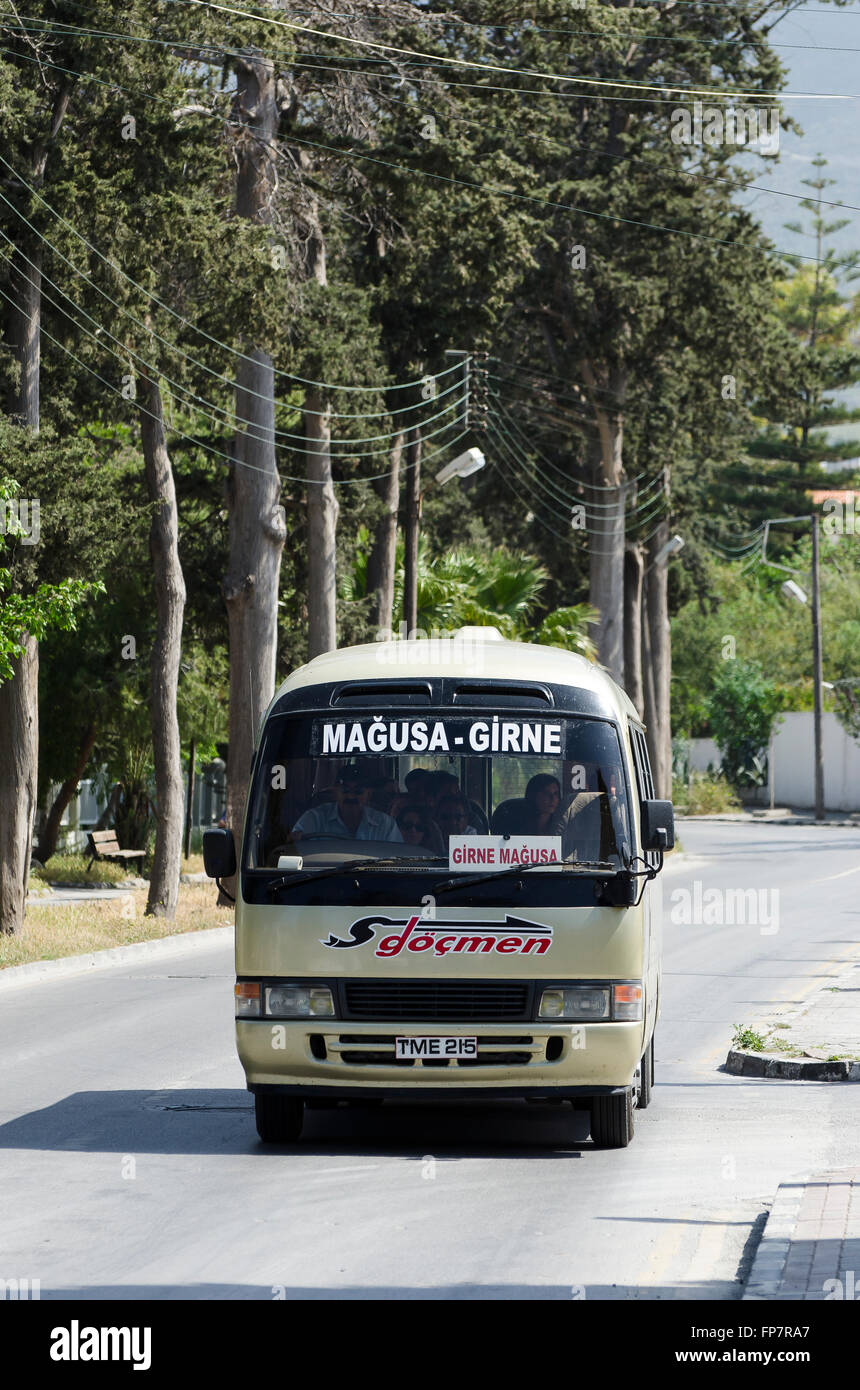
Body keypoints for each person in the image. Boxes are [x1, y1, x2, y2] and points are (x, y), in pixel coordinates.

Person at [292, 765, 403, 842]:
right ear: (335, 792)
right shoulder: (314, 818)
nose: (350, 796)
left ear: (368, 794)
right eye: (345, 791)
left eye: (358, 792)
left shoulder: (385, 824)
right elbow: (294, 851)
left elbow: (397, 860)